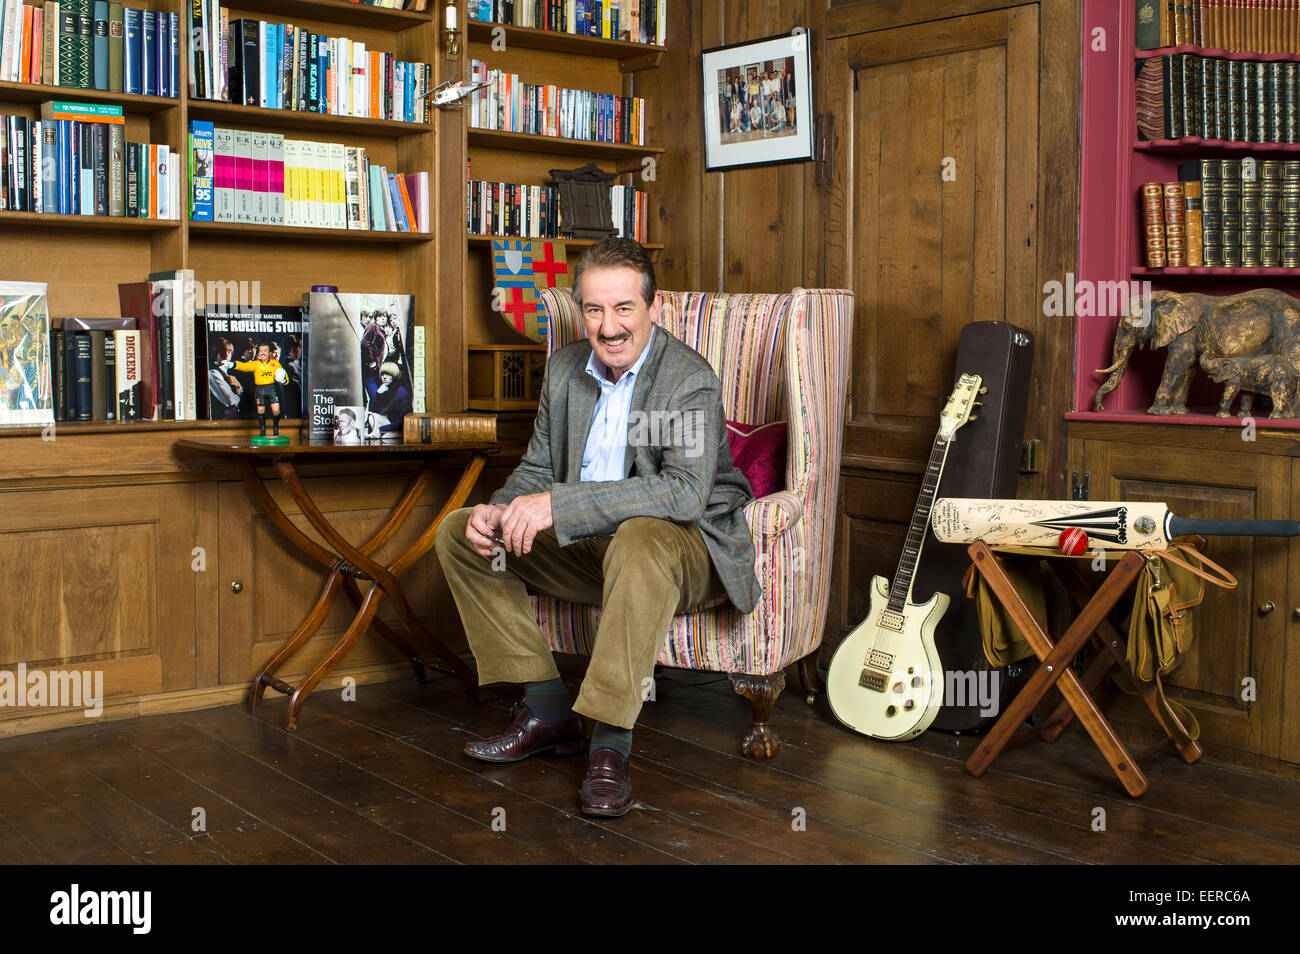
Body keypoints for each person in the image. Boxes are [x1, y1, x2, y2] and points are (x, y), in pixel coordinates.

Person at [435, 238, 758, 818]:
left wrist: (560, 505)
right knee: (460, 535)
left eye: (624, 308)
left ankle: (609, 742)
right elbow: (535, 467)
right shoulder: (563, 371)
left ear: (652, 308)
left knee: (637, 537)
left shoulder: (687, 380)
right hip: (593, 550)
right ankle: (545, 707)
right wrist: (500, 507)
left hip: (684, 550)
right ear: (580, 310)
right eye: (593, 310)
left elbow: (683, 493)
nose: (609, 327)